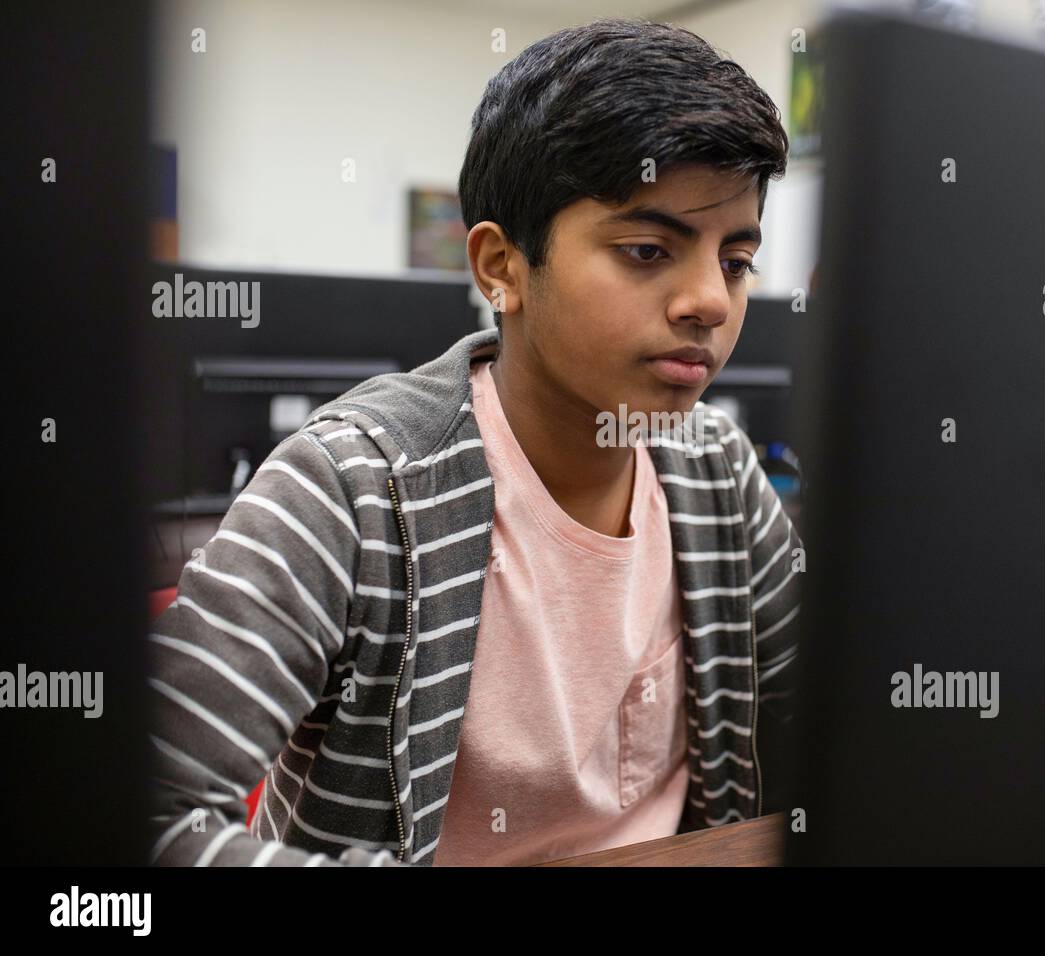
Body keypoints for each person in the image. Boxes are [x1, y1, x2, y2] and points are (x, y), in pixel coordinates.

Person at [146, 17, 803, 866]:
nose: (710, 301)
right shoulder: (352, 490)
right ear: (499, 267)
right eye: (648, 250)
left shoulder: (717, 474)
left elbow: (818, 727)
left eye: (736, 261)